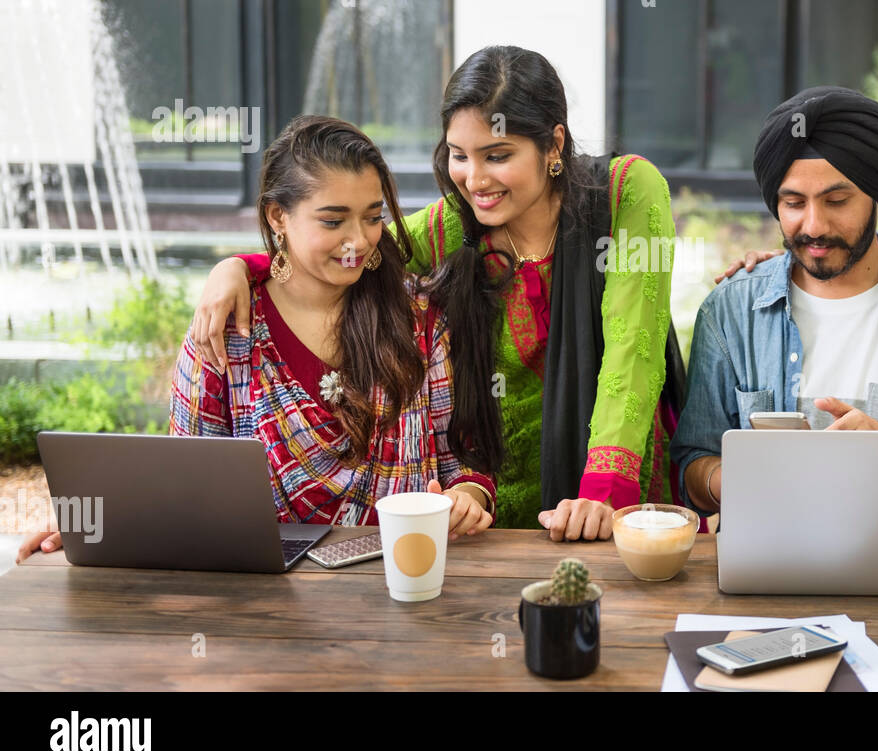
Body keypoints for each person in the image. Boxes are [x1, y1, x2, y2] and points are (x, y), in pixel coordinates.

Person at [184, 46, 683, 541]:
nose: (475, 179)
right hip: (492, 519)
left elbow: (631, 352)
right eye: (459, 156)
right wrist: (242, 268)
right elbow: (347, 252)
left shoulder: (624, 193)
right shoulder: (453, 227)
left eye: (498, 155)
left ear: (553, 145)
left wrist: (602, 492)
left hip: (613, 503)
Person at [19, 116, 493, 561]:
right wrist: (100, 523)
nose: (359, 241)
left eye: (372, 217)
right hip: (261, 601)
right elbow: (185, 484)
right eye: (333, 221)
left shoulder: (417, 318)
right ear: (277, 217)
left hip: (402, 579)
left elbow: (463, 458)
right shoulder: (227, 331)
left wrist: (467, 496)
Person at [672, 87, 878, 515]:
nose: (814, 226)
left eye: (837, 201)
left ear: (875, 195)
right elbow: (691, 467)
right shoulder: (730, 311)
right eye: (793, 203)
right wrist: (741, 478)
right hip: (771, 562)